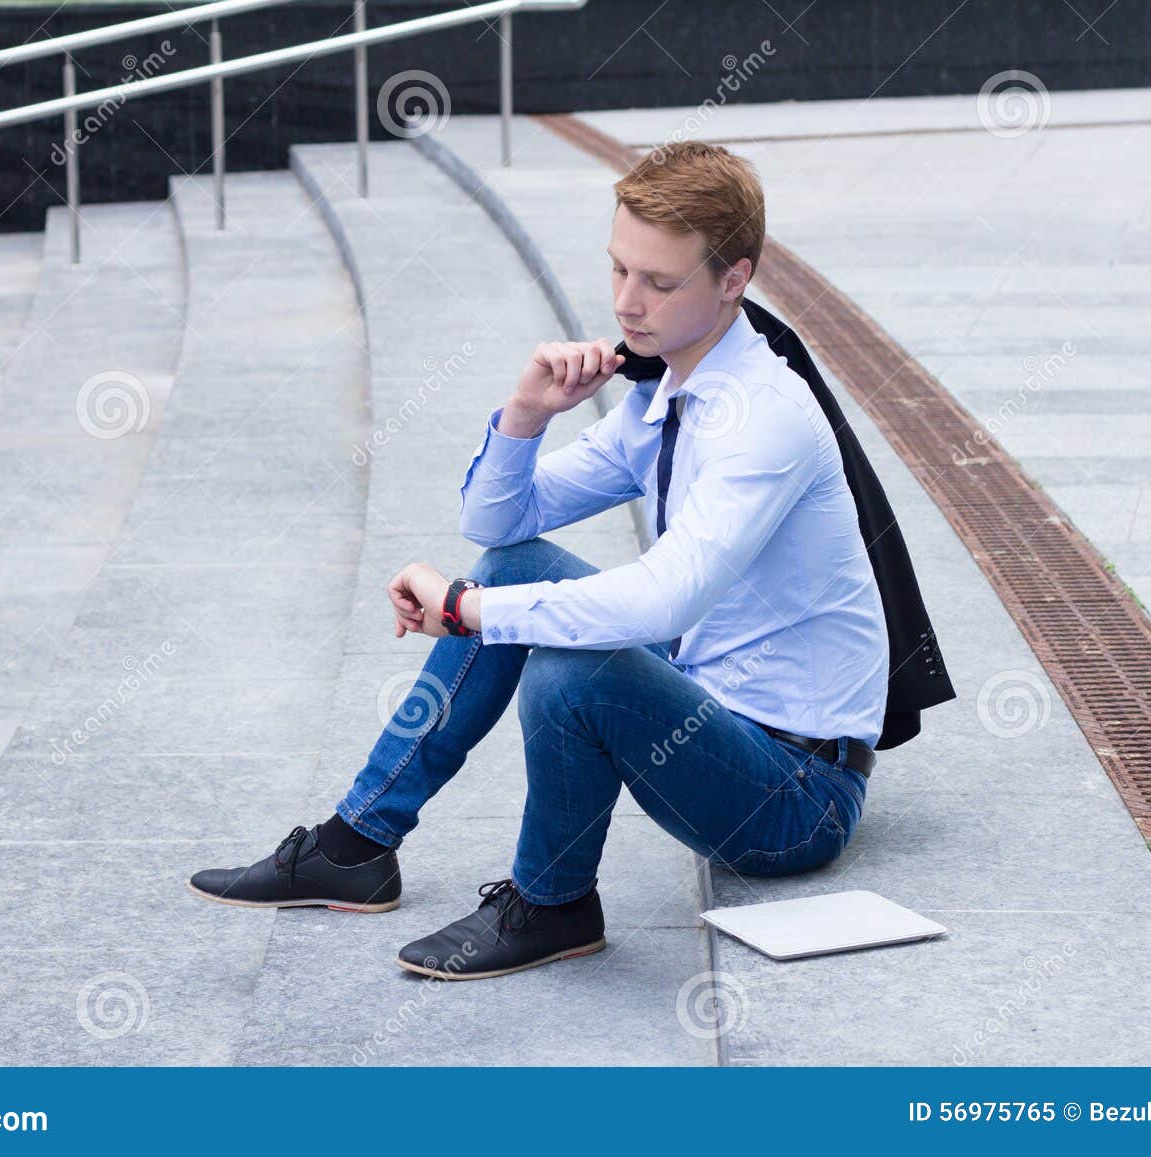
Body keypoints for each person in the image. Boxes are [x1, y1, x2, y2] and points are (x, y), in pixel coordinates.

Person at [187, 141, 888, 981]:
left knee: (571, 672)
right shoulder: (665, 394)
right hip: (712, 706)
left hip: (792, 793)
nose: (627, 304)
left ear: (734, 280)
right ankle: (358, 842)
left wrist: (467, 608)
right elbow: (498, 519)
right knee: (516, 563)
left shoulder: (761, 419)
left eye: (660, 283)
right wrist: (525, 413)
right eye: (619, 270)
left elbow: (661, 602)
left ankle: (553, 903)